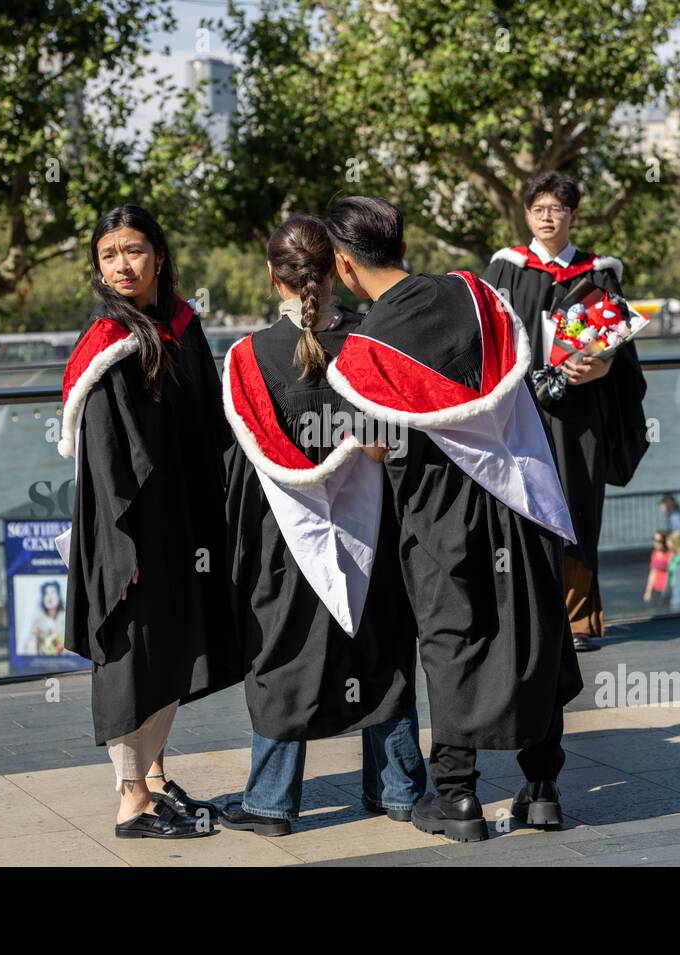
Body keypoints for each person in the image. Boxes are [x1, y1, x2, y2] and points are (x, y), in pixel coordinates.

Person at [324, 196, 582, 843]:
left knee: (453, 640)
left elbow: (378, 447)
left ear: (343, 264)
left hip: (441, 512)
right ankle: (543, 786)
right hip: (520, 493)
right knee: (534, 626)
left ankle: (459, 797)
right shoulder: (474, 291)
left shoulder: (363, 353)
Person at [218, 215, 426, 836]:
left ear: (272, 275)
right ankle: (398, 788)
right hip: (376, 533)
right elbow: (403, 438)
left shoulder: (248, 356)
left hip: (286, 542)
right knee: (383, 650)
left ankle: (271, 802)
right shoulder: (374, 343)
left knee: (284, 656)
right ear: (339, 267)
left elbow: (238, 464)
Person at [58, 205, 242, 839]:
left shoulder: (182, 328)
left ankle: (156, 778)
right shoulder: (107, 347)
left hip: (181, 522)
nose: (121, 265)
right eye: (108, 256)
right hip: (128, 528)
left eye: (132, 250)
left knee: (168, 644)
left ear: (158, 255)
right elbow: (107, 463)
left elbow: (212, 424)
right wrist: (120, 549)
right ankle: (130, 799)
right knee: (132, 648)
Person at [484, 172, 649, 652]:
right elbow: (489, 340)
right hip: (524, 409)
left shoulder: (599, 272)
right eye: (538, 209)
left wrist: (603, 368)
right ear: (526, 215)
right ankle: (530, 615)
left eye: (557, 209)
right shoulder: (506, 269)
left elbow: (620, 348)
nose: (547, 218)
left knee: (578, 506)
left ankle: (577, 620)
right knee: (526, 504)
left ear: (574, 215)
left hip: (581, 413)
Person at [643, 531, 671, 607]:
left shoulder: (669, 554)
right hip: (656, 588)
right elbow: (653, 573)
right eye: (654, 540)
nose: (656, 543)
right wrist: (648, 591)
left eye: (659, 541)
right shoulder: (654, 553)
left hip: (667, 588)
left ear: (664, 542)